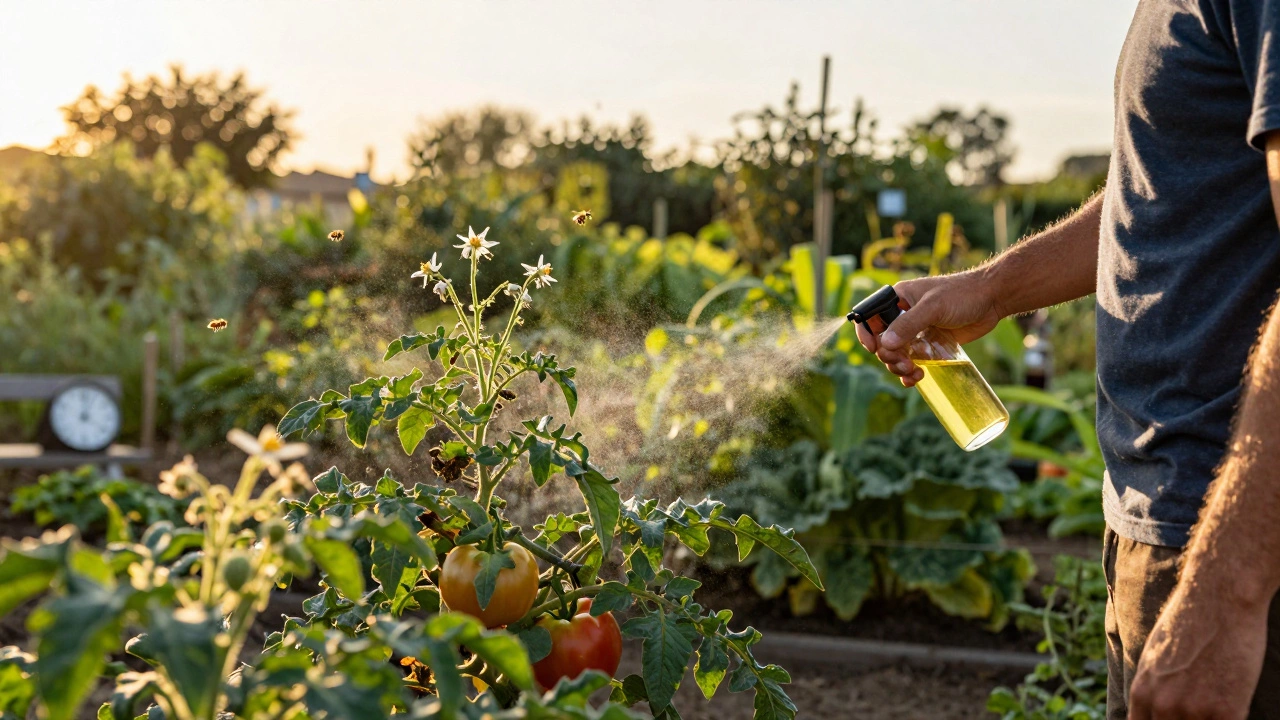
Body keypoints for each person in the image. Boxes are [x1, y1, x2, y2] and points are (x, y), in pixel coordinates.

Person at [855, 3, 1280, 718]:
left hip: (1229, 538)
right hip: (1171, 527)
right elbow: (1160, 186)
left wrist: (1230, 588)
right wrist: (990, 289)